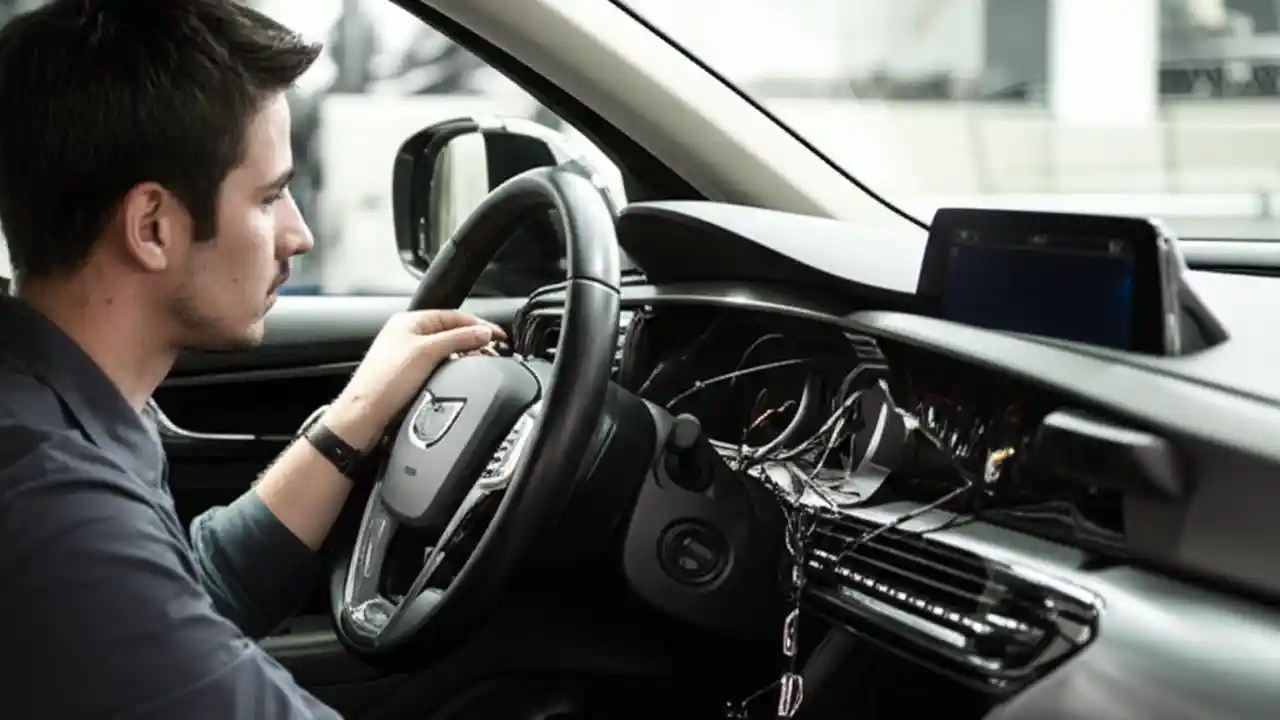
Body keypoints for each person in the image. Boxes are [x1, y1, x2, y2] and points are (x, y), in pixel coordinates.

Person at [0, 1, 501, 717]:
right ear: (152, 227)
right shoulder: (52, 512)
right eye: (270, 197)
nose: (299, 235)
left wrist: (356, 415)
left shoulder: (56, 408)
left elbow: (184, 599)